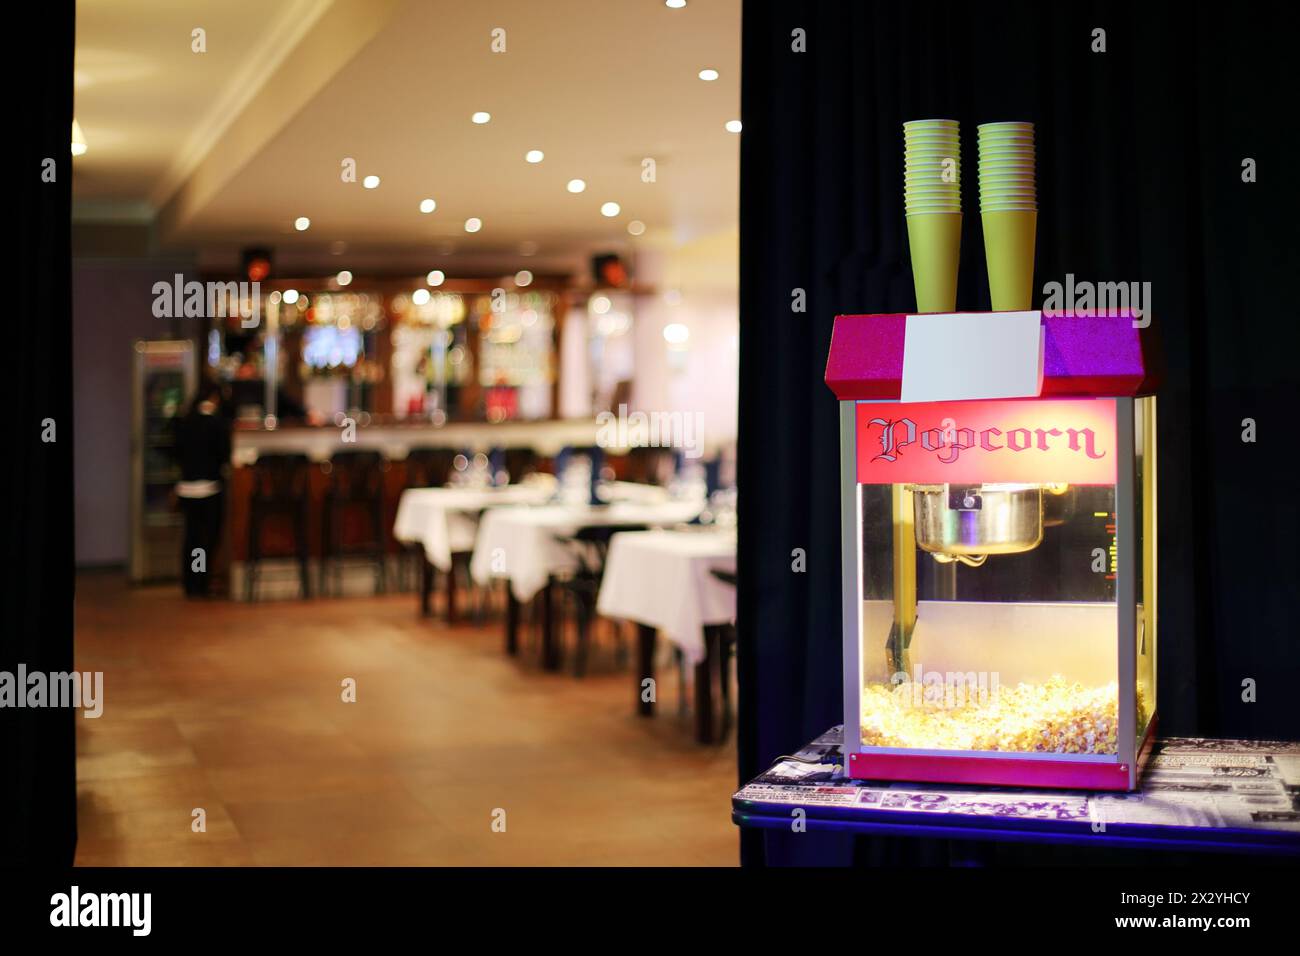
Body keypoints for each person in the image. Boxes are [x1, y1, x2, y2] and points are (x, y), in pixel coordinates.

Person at [172, 381, 232, 597]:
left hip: (186, 488)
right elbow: (224, 456)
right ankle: (200, 583)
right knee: (205, 541)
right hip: (209, 488)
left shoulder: (185, 421)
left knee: (192, 537)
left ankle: (190, 582)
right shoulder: (217, 423)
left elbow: (175, 452)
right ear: (215, 398)